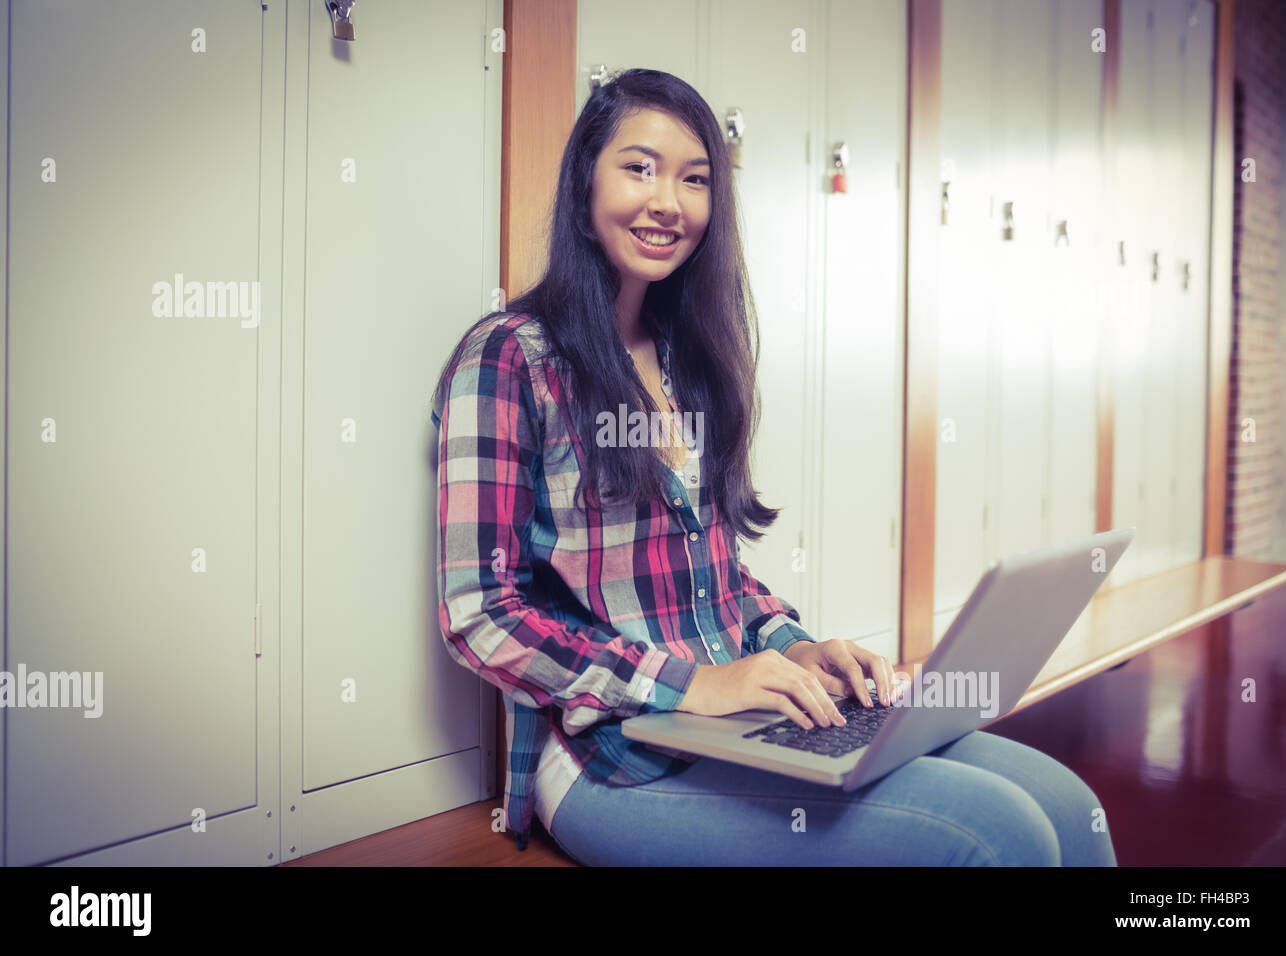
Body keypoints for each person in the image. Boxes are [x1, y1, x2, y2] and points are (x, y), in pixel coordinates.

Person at [430, 68, 1117, 866]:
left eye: (695, 180)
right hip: (608, 760)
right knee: (1001, 833)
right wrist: (687, 686)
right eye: (639, 167)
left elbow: (718, 581)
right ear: (586, 176)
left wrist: (798, 649)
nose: (669, 202)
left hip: (739, 720)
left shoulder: (688, 359)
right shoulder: (510, 356)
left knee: (1069, 806)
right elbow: (479, 612)